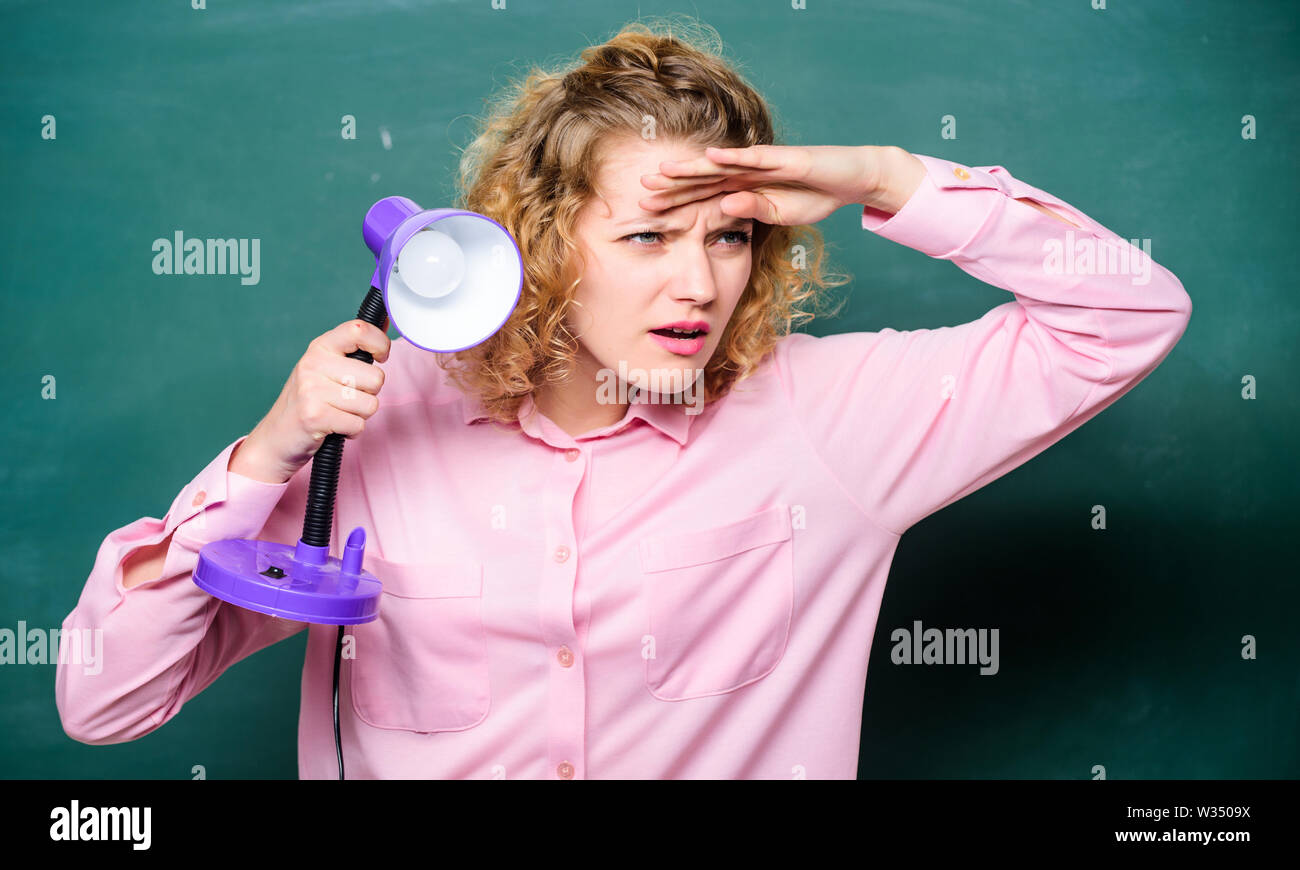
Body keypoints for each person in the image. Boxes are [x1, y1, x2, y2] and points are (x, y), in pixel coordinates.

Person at [56, 20, 1191, 779]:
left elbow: (1130, 312)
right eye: (647, 235)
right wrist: (264, 457)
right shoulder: (375, 429)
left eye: (731, 236)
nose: (698, 283)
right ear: (542, 241)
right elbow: (105, 704)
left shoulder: (828, 419)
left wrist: (891, 176)